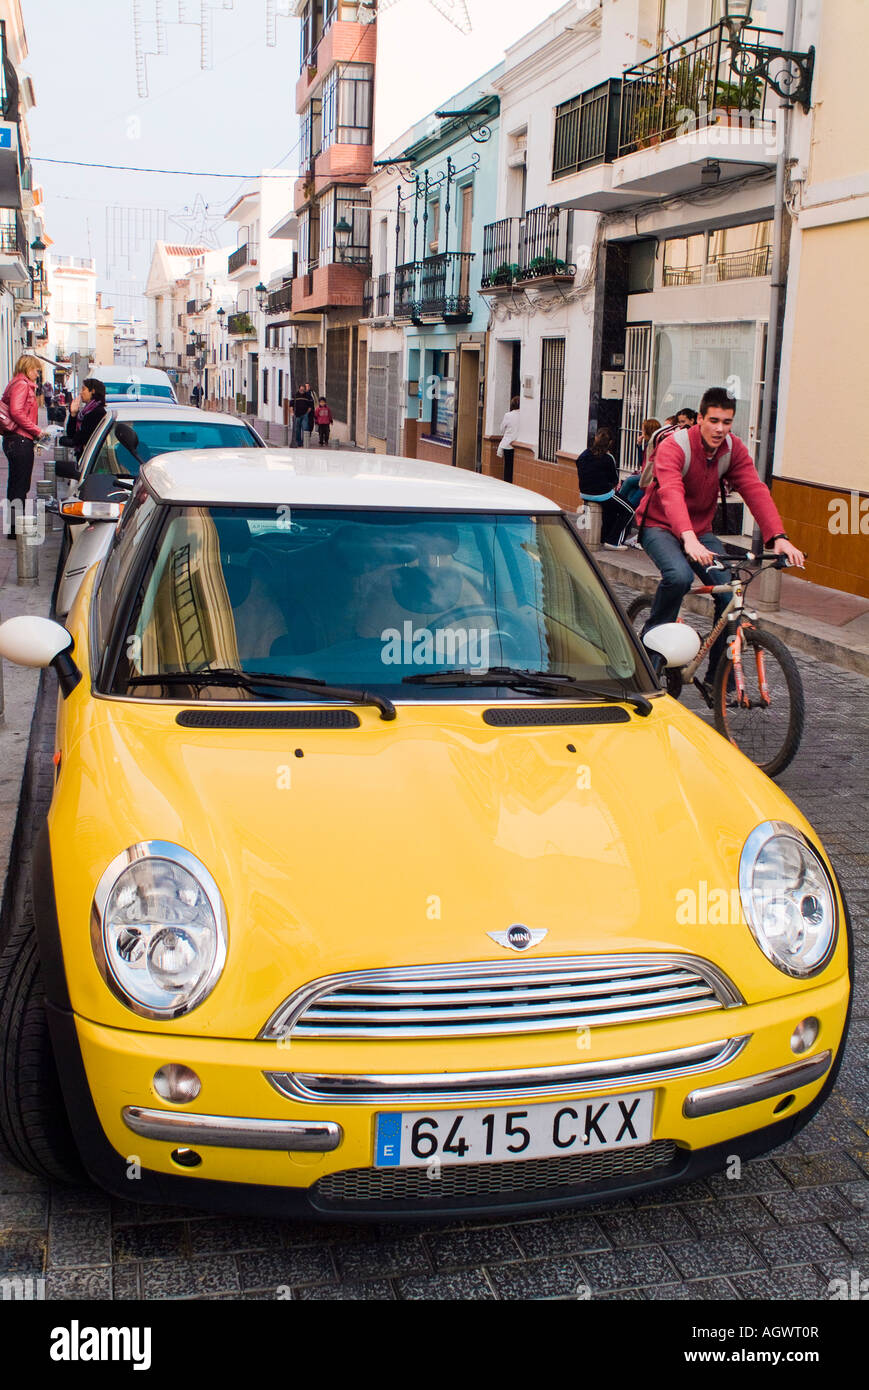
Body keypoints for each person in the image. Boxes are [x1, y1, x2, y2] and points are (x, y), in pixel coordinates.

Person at [634, 385, 805, 697]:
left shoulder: (732, 449)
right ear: (700, 418)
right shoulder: (676, 446)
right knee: (679, 576)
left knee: (730, 595)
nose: (720, 428)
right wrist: (687, 539)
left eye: (727, 422)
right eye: (714, 420)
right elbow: (670, 491)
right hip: (659, 525)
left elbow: (754, 489)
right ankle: (651, 645)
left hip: (700, 531)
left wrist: (778, 537)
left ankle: (717, 680)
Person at [2, 354, 48, 538]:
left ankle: (14, 526)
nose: (37, 374)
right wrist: (36, 430)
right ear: (28, 367)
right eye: (36, 370)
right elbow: (16, 411)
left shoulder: (15, 383)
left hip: (15, 440)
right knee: (20, 485)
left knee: (15, 484)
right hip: (20, 440)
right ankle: (16, 528)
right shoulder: (22, 385)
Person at [575, 427, 635, 550]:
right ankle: (614, 541)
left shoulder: (584, 454)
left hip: (584, 492)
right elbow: (614, 479)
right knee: (629, 510)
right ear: (610, 442)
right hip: (602, 493)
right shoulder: (608, 458)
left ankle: (604, 537)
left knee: (611, 509)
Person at [66, 378, 107, 461]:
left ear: (93, 391)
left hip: (90, 457)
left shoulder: (97, 412)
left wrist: (74, 440)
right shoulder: (86, 411)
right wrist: (73, 414)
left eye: (84, 389)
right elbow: (71, 434)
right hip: (83, 455)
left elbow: (81, 438)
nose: (81, 393)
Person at [497, 395, 521, 484]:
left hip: (508, 444)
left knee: (508, 467)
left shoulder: (508, 415)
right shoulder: (523, 415)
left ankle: (507, 483)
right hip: (517, 444)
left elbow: (501, 429)